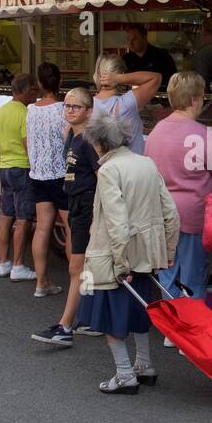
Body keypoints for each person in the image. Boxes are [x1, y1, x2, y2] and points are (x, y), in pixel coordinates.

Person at [81, 114, 180, 394]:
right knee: (141, 311)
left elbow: (116, 222)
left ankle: (125, 374)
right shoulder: (146, 163)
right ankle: (144, 365)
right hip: (148, 254)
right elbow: (171, 213)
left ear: (99, 143)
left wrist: (120, 264)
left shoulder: (109, 171)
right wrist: (168, 251)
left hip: (117, 257)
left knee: (112, 318)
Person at [32, 87, 104, 346]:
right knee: (85, 267)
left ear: (89, 111)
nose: (70, 111)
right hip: (74, 204)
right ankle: (89, 319)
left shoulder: (89, 140)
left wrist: (99, 215)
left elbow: (103, 178)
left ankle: (65, 327)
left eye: (76, 107)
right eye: (67, 106)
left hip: (87, 207)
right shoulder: (71, 137)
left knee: (77, 267)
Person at [144, 71, 212, 301]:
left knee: (168, 272)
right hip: (193, 215)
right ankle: (191, 327)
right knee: (193, 276)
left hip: (162, 213)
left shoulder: (156, 131)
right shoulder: (202, 134)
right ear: (195, 100)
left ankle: (172, 328)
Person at [26, 62, 68, 298]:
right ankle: (77, 281)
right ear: (59, 82)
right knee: (72, 229)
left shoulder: (31, 109)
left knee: (42, 228)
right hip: (61, 174)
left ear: (40, 84)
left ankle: (41, 282)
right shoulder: (64, 109)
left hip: (38, 174)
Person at [0, 73, 38, 281]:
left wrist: (6, 153)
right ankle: (18, 265)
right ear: (27, 91)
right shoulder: (25, 113)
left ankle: (3, 263)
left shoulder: (1, 111)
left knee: (5, 216)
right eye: (34, 91)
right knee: (23, 218)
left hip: (4, 166)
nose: (36, 95)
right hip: (22, 167)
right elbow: (28, 144)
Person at [91, 53, 160, 154]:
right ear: (122, 74)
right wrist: (120, 79)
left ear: (97, 74)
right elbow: (156, 78)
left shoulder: (87, 105)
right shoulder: (127, 103)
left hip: (100, 168)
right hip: (131, 167)